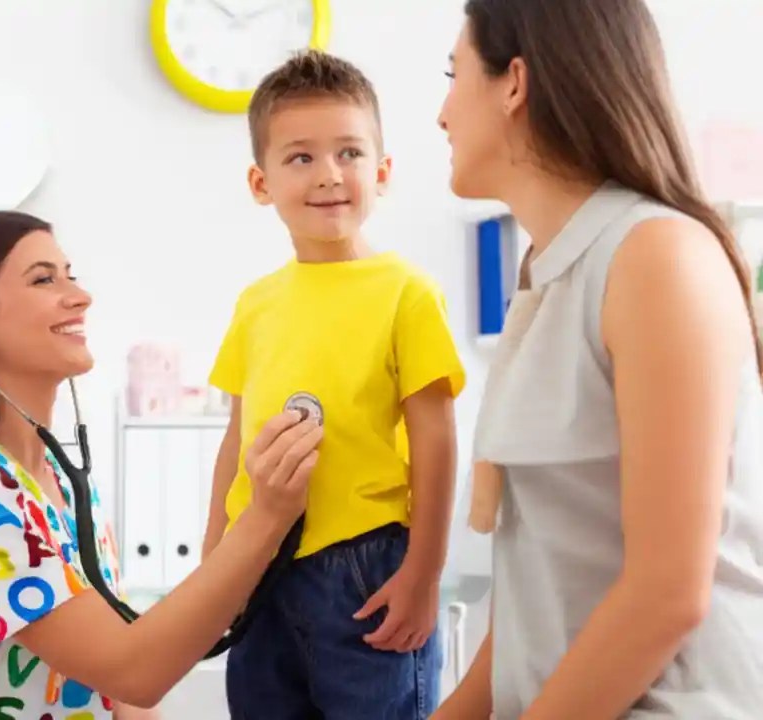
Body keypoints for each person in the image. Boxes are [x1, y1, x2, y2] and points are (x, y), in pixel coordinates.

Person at [433, 0, 763, 718]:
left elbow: (666, 594)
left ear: (513, 83)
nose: (441, 113)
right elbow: (538, 593)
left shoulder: (656, 257)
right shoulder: (549, 275)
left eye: (454, 74)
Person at [0, 210, 324, 719]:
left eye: (70, 275)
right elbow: (131, 669)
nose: (80, 297)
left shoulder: (56, 481)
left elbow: (121, 691)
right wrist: (266, 517)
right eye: (44, 279)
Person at [201, 50, 467, 719]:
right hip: (257, 565)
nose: (329, 175)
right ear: (261, 183)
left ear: (382, 172)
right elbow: (236, 437)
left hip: (365, 571)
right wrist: (214, 567)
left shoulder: (408, 293)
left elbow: (435, 437)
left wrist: (424, 574)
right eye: (301, 158)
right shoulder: (255, 303)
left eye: (349, 153)